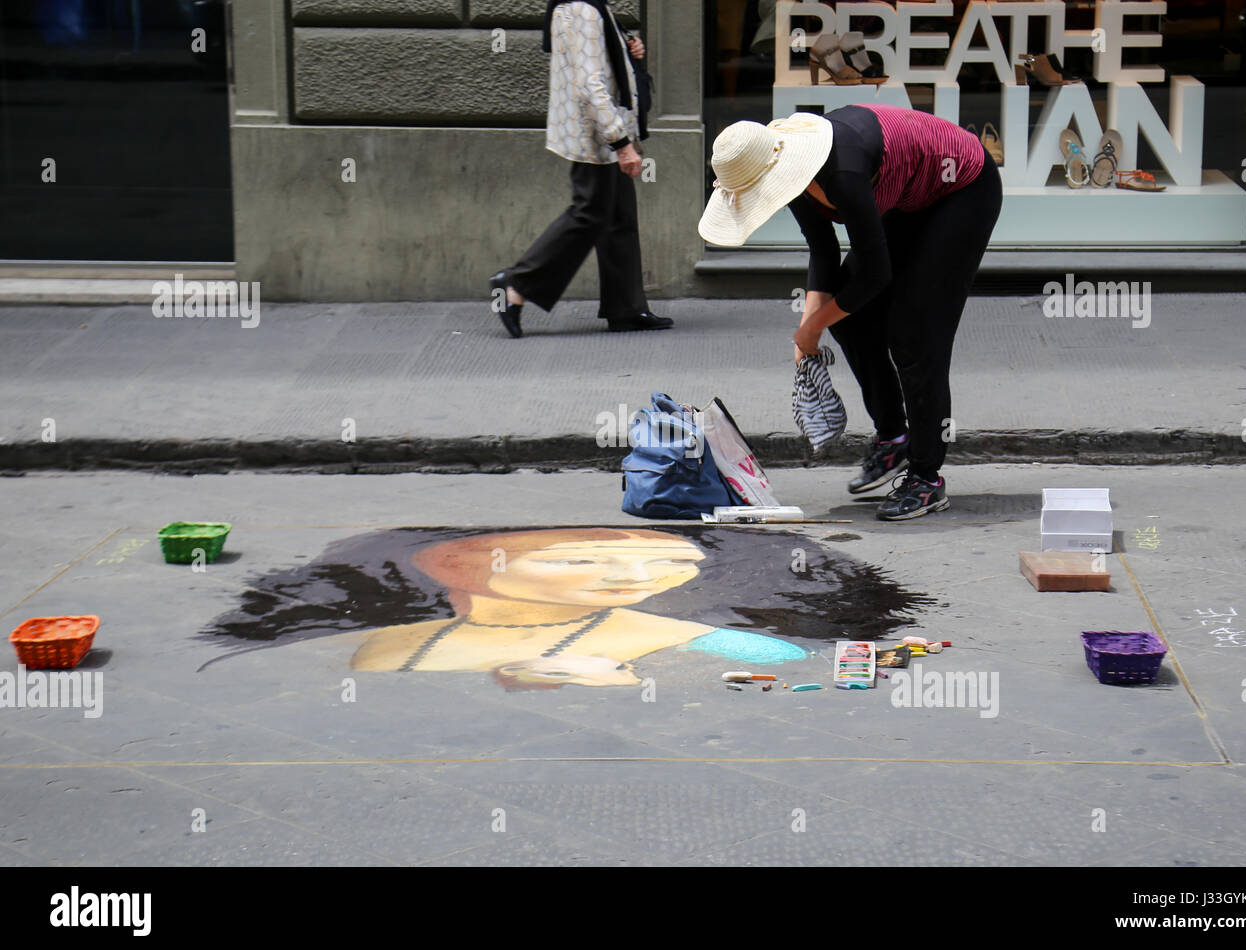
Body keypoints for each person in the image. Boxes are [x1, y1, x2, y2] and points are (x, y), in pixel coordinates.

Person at [698, 104, 1002, 520]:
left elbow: (876, 274)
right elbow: (823, 251)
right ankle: (894, 437)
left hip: (963, 188)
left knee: (915, 332)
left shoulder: (840, 171)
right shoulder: (792, 176)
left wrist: (810, 331)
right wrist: (809, 329)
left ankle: (927, 477)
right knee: (851, 317)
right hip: (910, 194)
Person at [350, 528, 806, 685]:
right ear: (463, 565)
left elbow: (795, 666)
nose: (635, 578)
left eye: (672, 562)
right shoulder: (387, 643)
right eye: (582, 559)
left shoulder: (689, 638)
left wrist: (621, 684)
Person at [489, 0, 672, 338]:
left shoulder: (588, 5)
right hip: (596, 136)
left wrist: (630, 54)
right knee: (588, 214)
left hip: (602, 131)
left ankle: (626, 308)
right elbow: (590, 85)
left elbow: (599, 64)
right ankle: (515, 284)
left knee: (618, 218)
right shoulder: (582, 9)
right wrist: (621, 142)